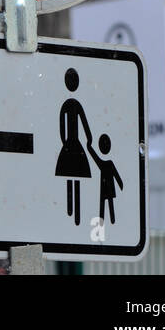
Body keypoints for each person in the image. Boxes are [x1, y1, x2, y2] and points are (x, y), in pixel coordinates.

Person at [55, 67, 92, 225]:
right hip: (74, 144)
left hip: (71, 144)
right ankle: (71, 212)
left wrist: (64, 141)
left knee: (73, 175)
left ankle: (74, 213)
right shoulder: (73, 104)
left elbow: (63, 127)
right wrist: (88, 140)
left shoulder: (70, 104)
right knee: (73, 175)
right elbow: (83, 125)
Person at [89, 133, 123, 224]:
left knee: (106, 204)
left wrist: (120, 184)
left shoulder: (106, 163)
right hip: (107, 187)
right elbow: (116, 175)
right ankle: (107, 222)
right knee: (105, 205)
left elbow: (116, 174)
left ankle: (111, 221)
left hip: (106, 187)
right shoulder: (106, 163)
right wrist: (120, 184)